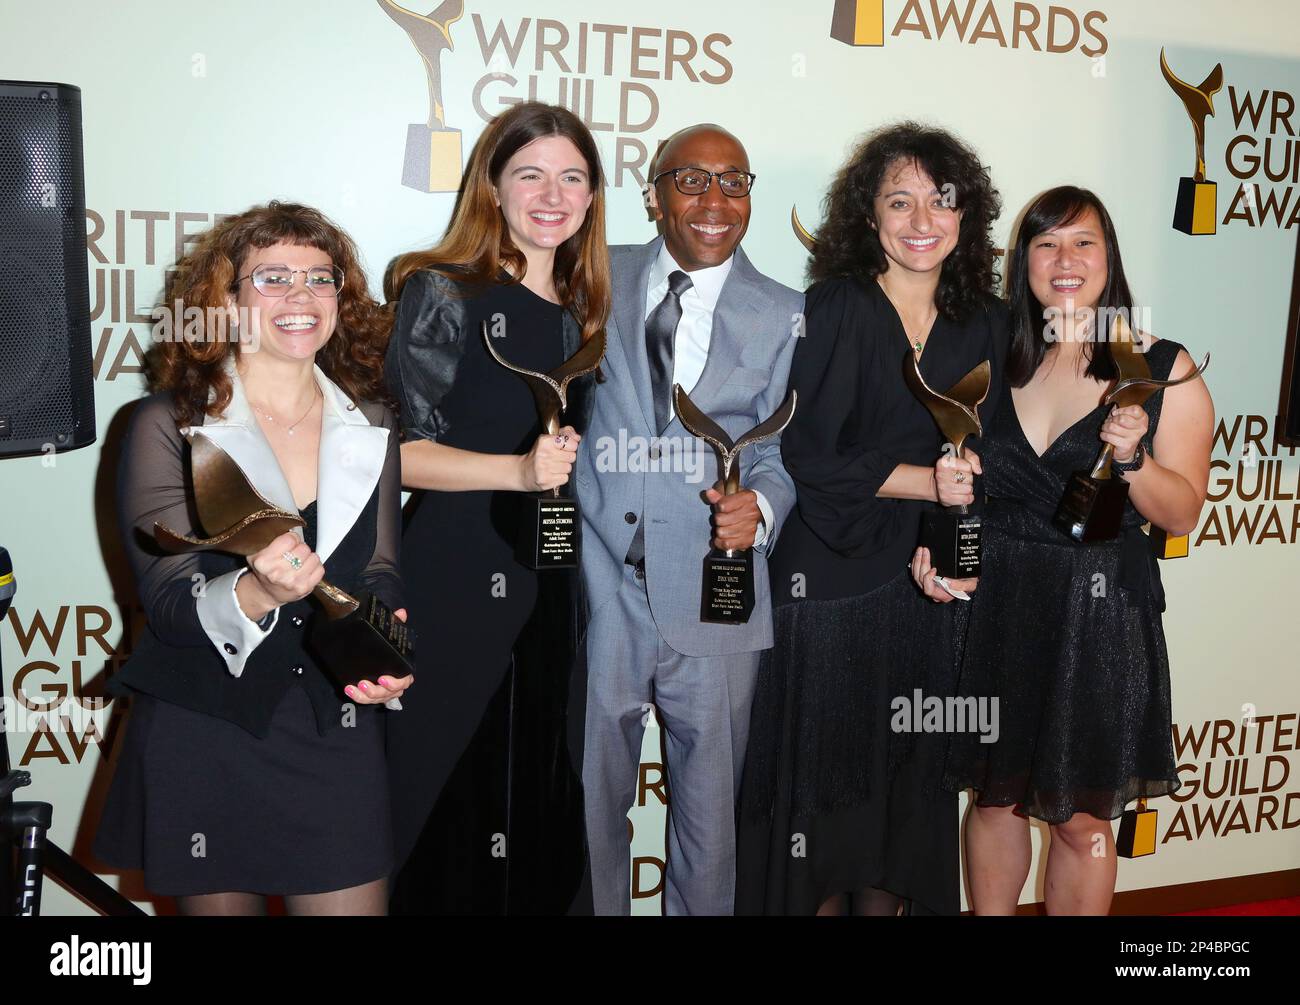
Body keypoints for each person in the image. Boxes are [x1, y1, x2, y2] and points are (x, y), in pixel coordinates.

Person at [94, 202, 412, 915]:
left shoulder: (373, 422)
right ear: (227, 301)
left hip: (335, 728)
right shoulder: (167, 425)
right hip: (207, 730)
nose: (300, 297)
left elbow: (383, 568)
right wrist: (258, 593)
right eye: (272, 278)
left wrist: (386, 644)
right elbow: (171, 604)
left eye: (320, 278)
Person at [737, 122, 1007, 916]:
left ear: (966, 218)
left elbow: (992, 468)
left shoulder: (985, 322)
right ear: (869, 218)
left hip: (921, 594)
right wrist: (930, 486)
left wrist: (945, 547)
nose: (922, 220)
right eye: (899, 201)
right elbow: (808, 455)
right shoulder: (836, 308)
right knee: (819, 819)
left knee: (899, 811)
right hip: (825, 590)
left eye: (940, 200)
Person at [922, 186, 1213, 915]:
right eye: (1046, 244)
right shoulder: (997, 360)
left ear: (1109, 257)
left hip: (1100, 614)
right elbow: (962, 481)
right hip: (1001, 606)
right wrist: (937, 544)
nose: (1065, 259)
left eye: (1083, 242)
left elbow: (1180, 514)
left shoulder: (1161, 368)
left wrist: (1138, 459)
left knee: (1082, 819)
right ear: (1022, 263)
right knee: (995, 800)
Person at [383, 101, 607, 914]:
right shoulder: (443, 290)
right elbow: (399, 453)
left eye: (572, 177)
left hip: (548, 581)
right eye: (531, 174)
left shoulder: (585, 312)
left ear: (592, 196)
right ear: (494, 186)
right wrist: (515, 471)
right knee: (446, 788)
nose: (553, 194)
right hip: (454, 574)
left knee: (536, 790)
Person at [576, 123, 801, 915]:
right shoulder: (595, 274)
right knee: (588, 813)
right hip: (600, 585)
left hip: (717, 590)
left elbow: (782, 456)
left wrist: (763, 508)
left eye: (734, 182)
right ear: (656, 194)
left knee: (710, 826)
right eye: (692, 179)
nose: (715, 200)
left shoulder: (784, 313)